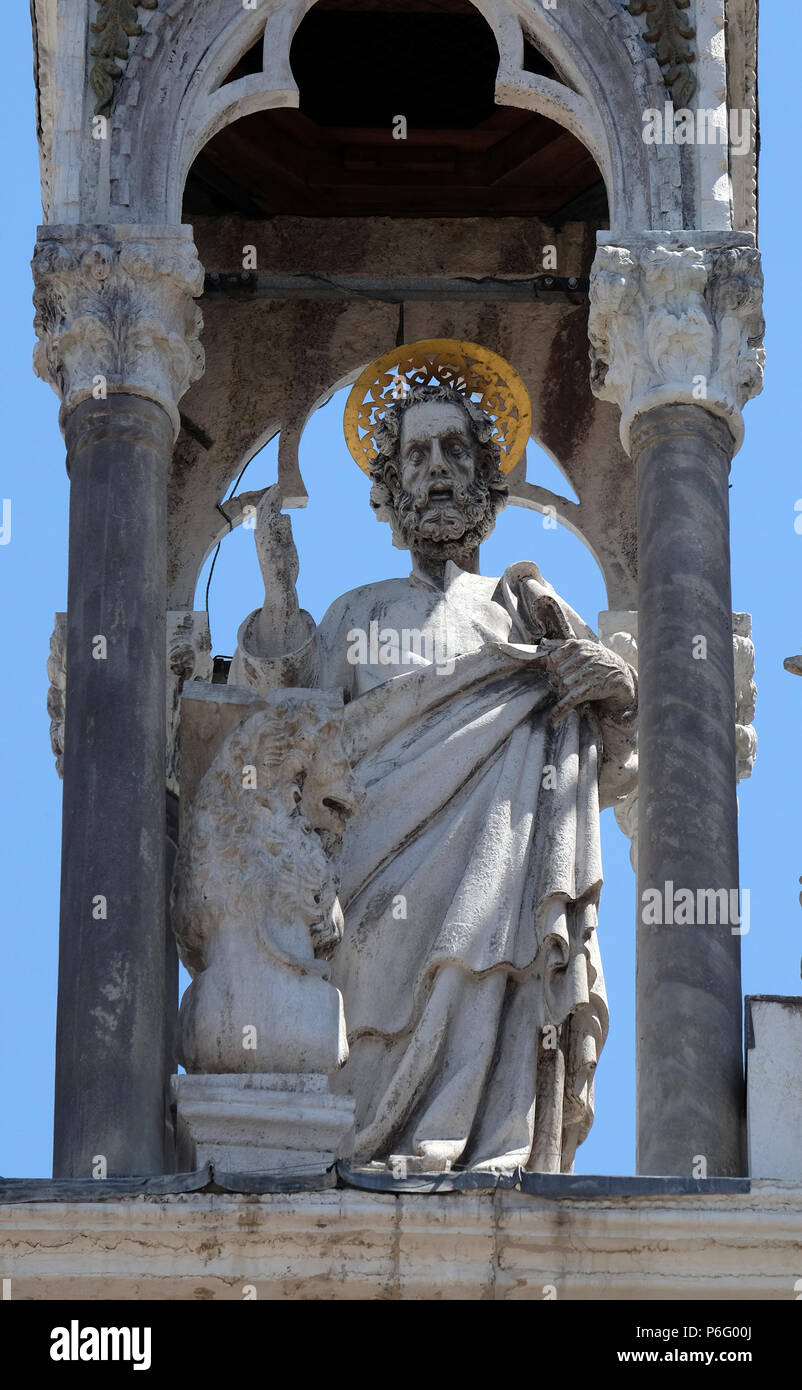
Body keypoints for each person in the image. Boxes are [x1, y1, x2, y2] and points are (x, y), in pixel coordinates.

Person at [230, 365, 636, 1173]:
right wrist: (280, 606)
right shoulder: (358, 614)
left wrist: (616, 690)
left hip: (503, 877)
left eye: (455, 449)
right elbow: (276, 737)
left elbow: (616, 767)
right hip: (371, 884)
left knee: (490, 973)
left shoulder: (532, 612)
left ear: (488, 478)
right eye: (417, 457)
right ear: (392, 486)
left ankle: (490, 1148)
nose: (438, 469)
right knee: (370, 1021)